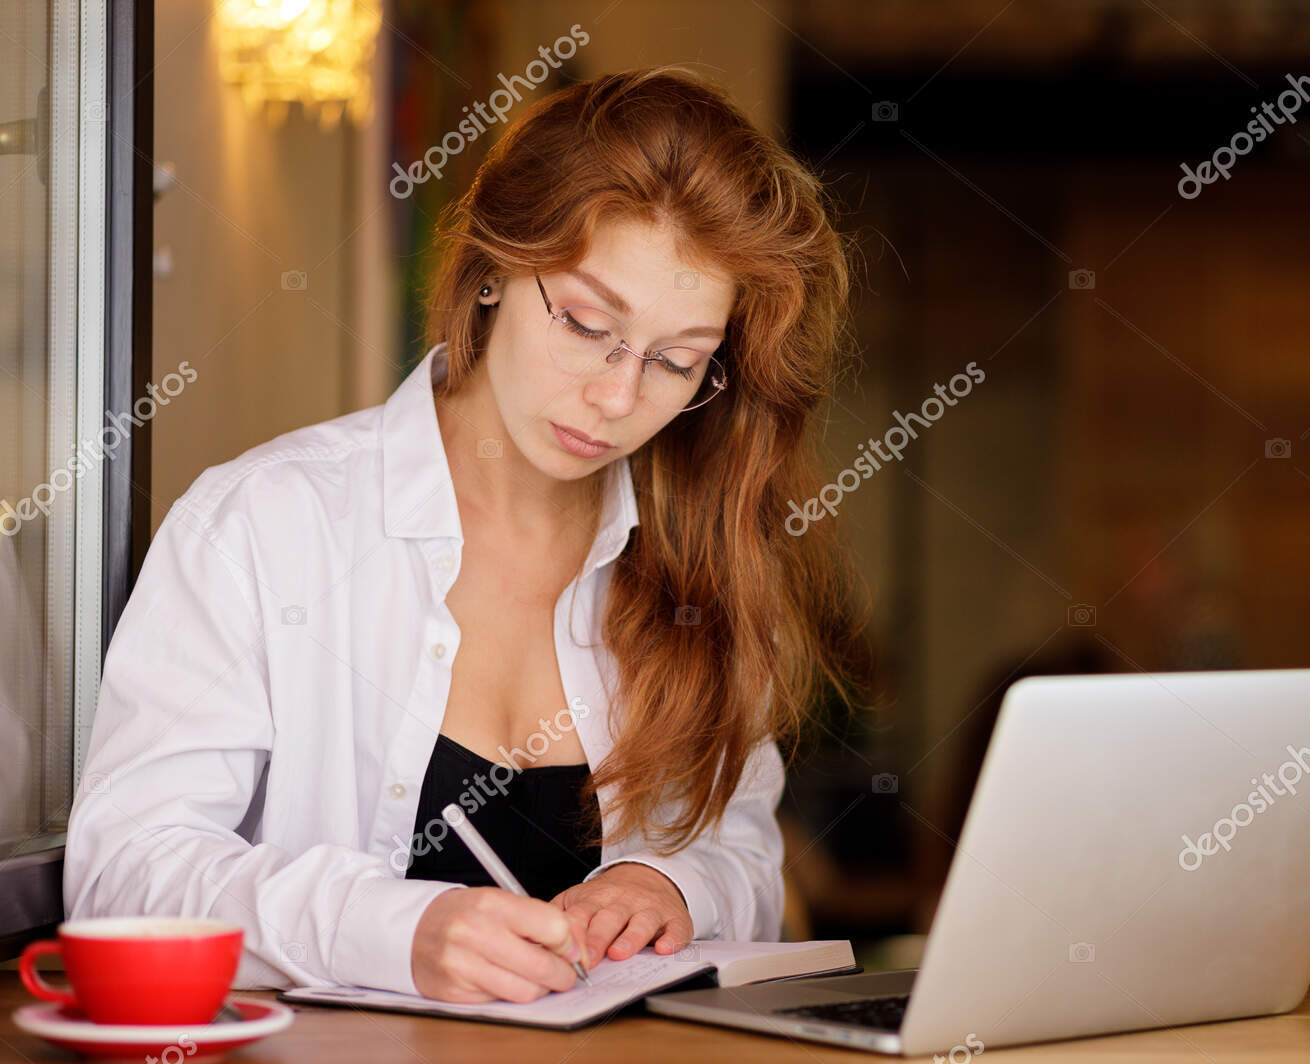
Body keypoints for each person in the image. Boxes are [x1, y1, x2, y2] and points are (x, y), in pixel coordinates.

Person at [64, 67, 868, 1005]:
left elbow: (747, 857)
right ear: (493, 267)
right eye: (586, 324)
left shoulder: (704, 559)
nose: (617, 396)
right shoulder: (263, 526)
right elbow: (123, 875)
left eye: (677, 360)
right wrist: (394, 930)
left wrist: (675, 886)